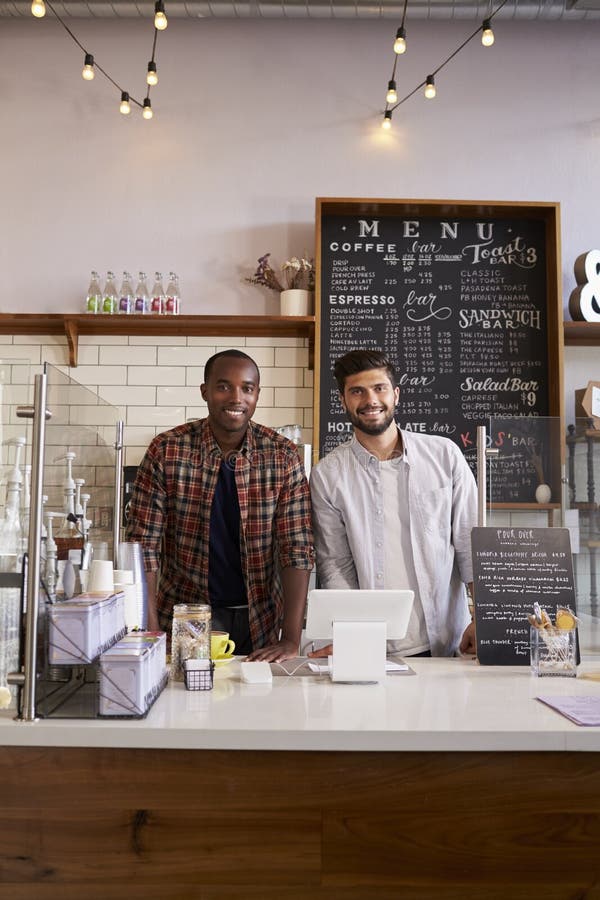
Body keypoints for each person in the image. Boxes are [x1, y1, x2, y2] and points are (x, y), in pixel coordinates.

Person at [126, 349, 314, 663]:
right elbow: (143, 545)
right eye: (223, 386)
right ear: (205, 391)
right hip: (186, 618)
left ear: (257, 394)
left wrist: (290, 638)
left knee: (258, 707)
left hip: (262, 620)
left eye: (247, 388)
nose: (236, 398)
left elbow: (297, 547)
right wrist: (152, 628)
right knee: (186, 706)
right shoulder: (167, 450)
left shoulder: (282, 455)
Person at [309, 349, 478, 658]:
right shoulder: (328, 475)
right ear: (343, 401)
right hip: (373, 645)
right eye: (357, 391)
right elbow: (336, 564)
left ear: (396, 394)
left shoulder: (445, 456)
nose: (370, 399)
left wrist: (483, 617)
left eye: (379, 388)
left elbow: (471, 542)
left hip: (448, 641)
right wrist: (348, 634)